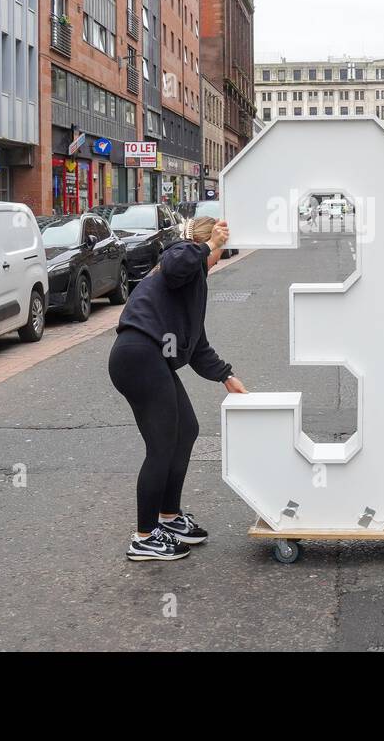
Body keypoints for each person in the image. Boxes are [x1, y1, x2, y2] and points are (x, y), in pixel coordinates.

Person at [108, 216, 249, 561]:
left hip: (149, 357)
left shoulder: (194, 281)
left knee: (186, 431)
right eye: (219, 250)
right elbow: (173, 263)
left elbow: (196, 345)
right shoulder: (182, 258)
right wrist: (208, 246)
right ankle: (144, 537)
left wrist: (226, 377)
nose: (219, 257)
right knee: (161, 446)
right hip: (138, 356)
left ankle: (168, 517)